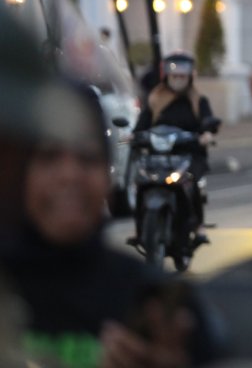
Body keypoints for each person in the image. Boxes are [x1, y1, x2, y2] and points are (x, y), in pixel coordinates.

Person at [2, 81, 217, 367]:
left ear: (107, 176)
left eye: (87, 159)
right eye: (49, 157)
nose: (69, 175)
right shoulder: (8, 288)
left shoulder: (155, 305)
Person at [134, 51, 218, 234]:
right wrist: (135, 137)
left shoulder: (198, 100)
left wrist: (206, 134)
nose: (178, 79)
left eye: (182, 75)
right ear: (167, 76)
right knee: (141, 181)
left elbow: (209, 122)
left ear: (189, 77)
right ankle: (141, 227)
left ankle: (197, 224)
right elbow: (141, 125)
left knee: (191, 181)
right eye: (174, 75)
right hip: (158, 157)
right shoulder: (154, 99)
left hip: (188, 155)